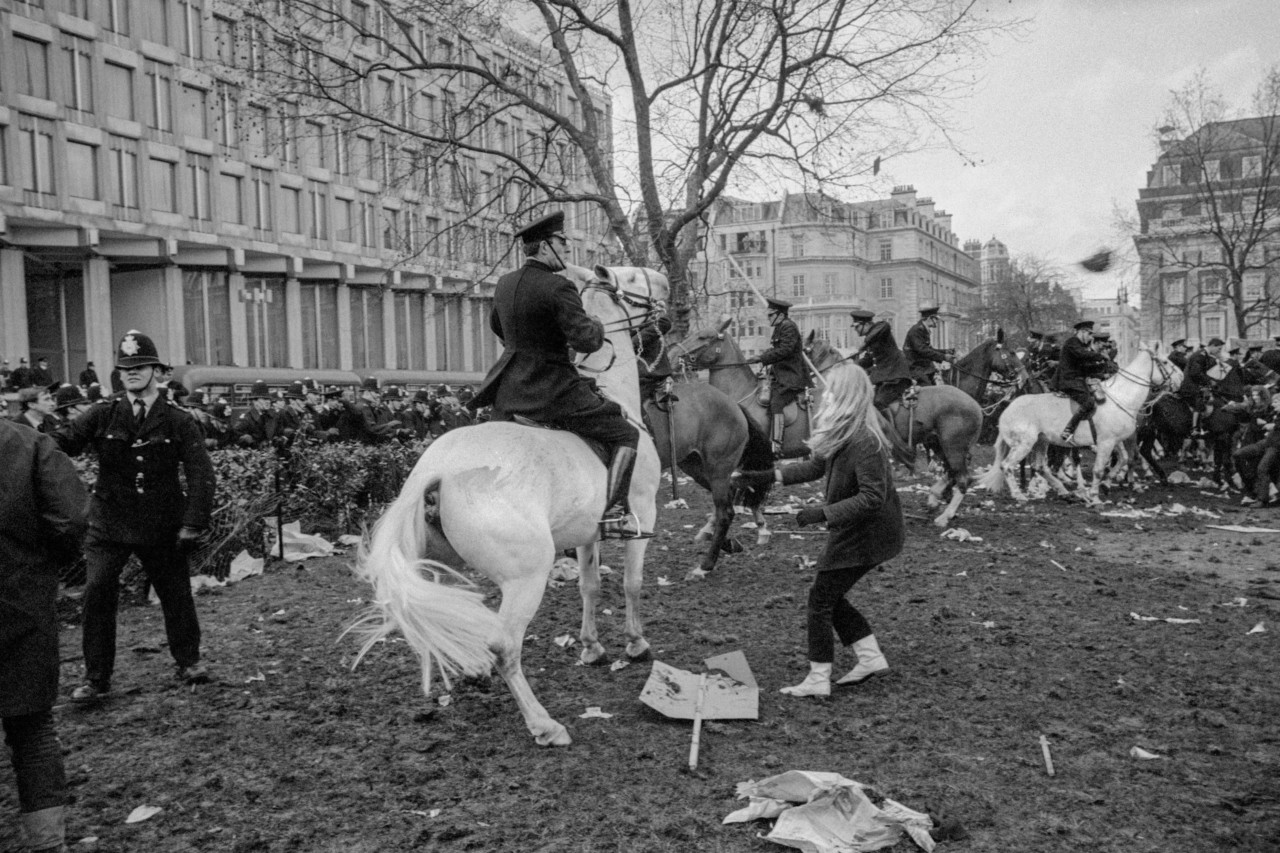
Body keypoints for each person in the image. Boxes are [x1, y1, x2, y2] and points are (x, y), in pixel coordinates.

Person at [53, 330, 216, 703]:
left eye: (139, 367)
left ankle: (188, 661)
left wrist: (193, 522)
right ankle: (96, 678)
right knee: (96, 594)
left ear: (155, 370)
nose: (131, 374)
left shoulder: (177, 419)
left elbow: (200, 472)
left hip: (162, 525)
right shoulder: (104, 412)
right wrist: (25, 434)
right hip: (110, 523)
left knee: (175, 594)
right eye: (125, 368)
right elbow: (64, 443)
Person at [466, 210, 647, 539]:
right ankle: (616, 513)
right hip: (553, 392)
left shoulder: (505, 284)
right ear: (545, 246)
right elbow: (586, 340)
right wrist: (596, 323)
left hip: (508, 391)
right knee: (624, 433)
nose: (567, 248)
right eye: (563, 241)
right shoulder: (558, 287)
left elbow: (498, 327)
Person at [733, 361, 903, 697]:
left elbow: (872, 498)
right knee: (830, 596)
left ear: (844, 396)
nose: (824, 396)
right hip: (857, 528)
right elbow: (814, 466)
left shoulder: (866, 441)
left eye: (830, 390)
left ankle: (818, 678)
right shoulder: (845, 432)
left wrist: (819, 514)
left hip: (869, 532)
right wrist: (767, 475)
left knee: (820, 600)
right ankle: (869, 658)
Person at [1, 418, 88, 853]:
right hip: (20, 606)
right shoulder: (29, 444)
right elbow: (71, 519)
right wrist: (39, 568)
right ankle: (49, 845)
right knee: (32, 729)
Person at [748, 298, 810, 457]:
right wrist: (761, 357)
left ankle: (777, 444)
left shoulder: (788, 327)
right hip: (781, 376)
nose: (768, 318)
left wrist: (762, 358)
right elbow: (776, 350)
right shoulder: (780, 327)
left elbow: (785, 350)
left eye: (770, 315)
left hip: (792, 377)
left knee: (777, 403)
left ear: (780, 315)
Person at [1053, 320, 1116, 443]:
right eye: (1089, 334)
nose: (1091, 337)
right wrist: (1100, 356)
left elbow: (1085, 367)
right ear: (1081, 332)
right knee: (1089, 402)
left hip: (1077, 381)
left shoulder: (1079, 346)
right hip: (1069, 381)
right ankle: (1068, 430)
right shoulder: (1072, 343)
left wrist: (1102, 367)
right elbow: (1082, 354)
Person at [849, 308, 912, 412]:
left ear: (867, 324)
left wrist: (864, 344)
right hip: (885, 379)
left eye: (857, 327)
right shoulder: (873, 339)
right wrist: (850, 366)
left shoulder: (881, 330)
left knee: (879, 402)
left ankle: (888, 428)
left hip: (896, 378)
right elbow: (868, 359)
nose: (855, 330)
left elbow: (885, 325)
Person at [1233, 389, 1280, 508]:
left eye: (1276, 402)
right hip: (1266, 443)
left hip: (1275, 446)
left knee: (1262, 468)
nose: (1273, 404)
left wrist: (1273, 426)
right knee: (1239, 454)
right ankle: (1251, 489)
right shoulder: (1275, 414)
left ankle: (1262, 499)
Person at [1179, 337, 1223, 436]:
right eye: (1219, 349)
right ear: (1212, 346)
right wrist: (1210, 381)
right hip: (1190, 386)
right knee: (1199, 402)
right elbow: (1195, 373)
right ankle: (1195, 429)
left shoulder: (1205, 355)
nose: (1219, 351)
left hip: (1196, 384)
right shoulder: (1200, 355)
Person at [902, 306, 952, 385]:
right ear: (929, 318)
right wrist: (944, 357)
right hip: (915, 368)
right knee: (928, 389)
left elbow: (929, 349)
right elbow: (922, 350)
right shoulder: (916, 330)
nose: (937, 322)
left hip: (924, 368)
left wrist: (946, 351)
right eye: (935, 319)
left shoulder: (923, 330)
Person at [233, 380, 279, 448]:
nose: (268, 402)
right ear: (255, 401)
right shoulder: (246, 418)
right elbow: (236, 436)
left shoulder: (272, 415)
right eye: (264, 399)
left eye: (268, 399)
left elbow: (277, 432)